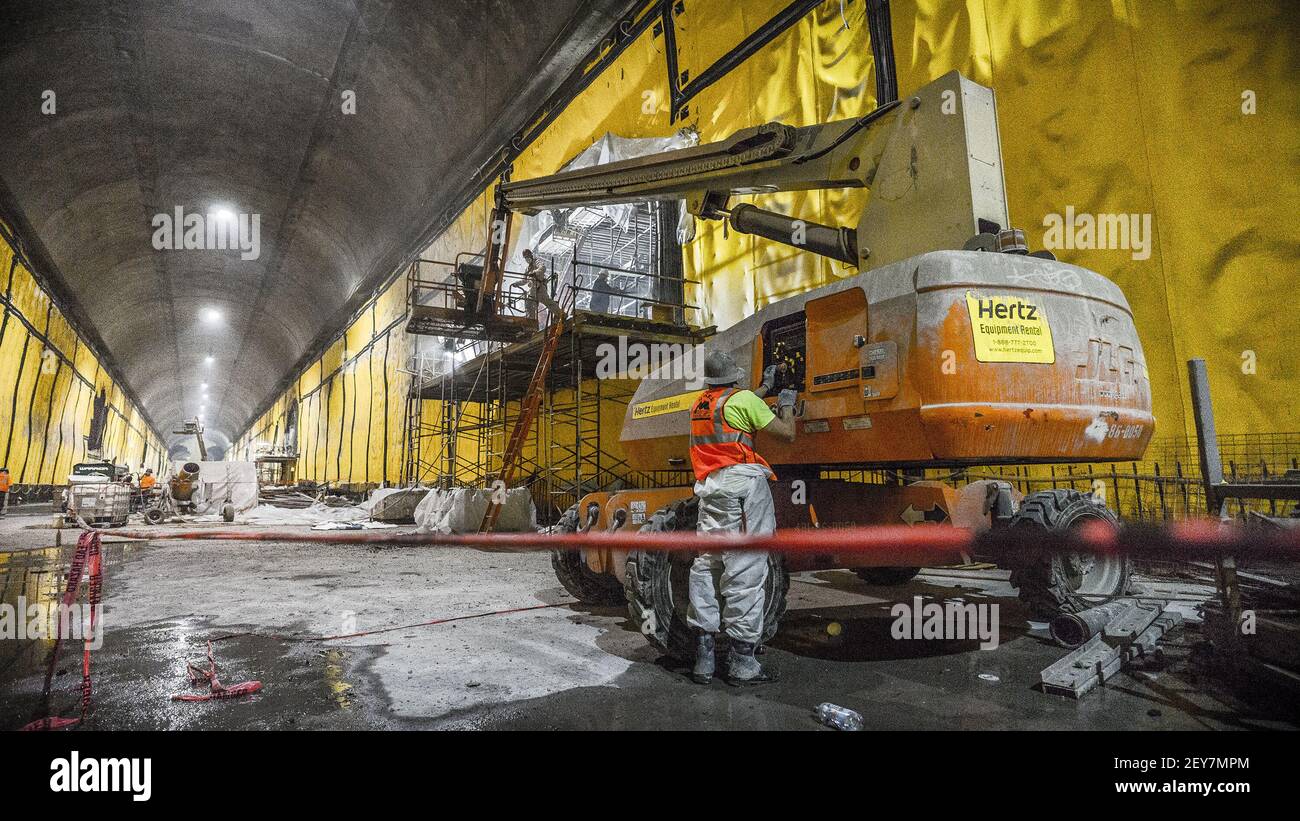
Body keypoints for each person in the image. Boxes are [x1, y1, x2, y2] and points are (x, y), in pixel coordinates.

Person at [687, 349, 797, 685]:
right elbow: (787, 433)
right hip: (743, 489)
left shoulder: (702, 404)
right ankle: (743, 664)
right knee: (746, 570)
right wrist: (787, 403)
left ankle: (704, 660)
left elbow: (742, 404)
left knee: (708, 565)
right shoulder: (744, 400)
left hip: (711, 489)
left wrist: (764, 387)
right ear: (734, 376)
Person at [521, 249, 561, 322]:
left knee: (548, 303)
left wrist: (535, 273)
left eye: (527, 256)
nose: (527, 259)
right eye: (525, 257)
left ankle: (561, 315)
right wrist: (516, 284)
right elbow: (524, 280)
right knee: (529, 305)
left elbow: (543, 268)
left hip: (540, 289)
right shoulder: (527, 269)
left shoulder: (537, 262)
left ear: (531, 255)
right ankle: (531, 321)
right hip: (533, 290)